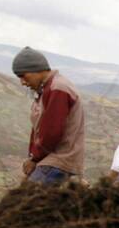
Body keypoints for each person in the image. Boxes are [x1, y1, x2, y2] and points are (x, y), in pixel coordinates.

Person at [11, 46, 85, 184]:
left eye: (23, 75)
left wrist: (34, 158)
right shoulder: (46, 89)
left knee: (27, 202)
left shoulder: (58, 88)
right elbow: (39, 129)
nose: (22, 82)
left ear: (36, 70)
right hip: (50, 160)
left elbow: (52, 132)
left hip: (57, 160)